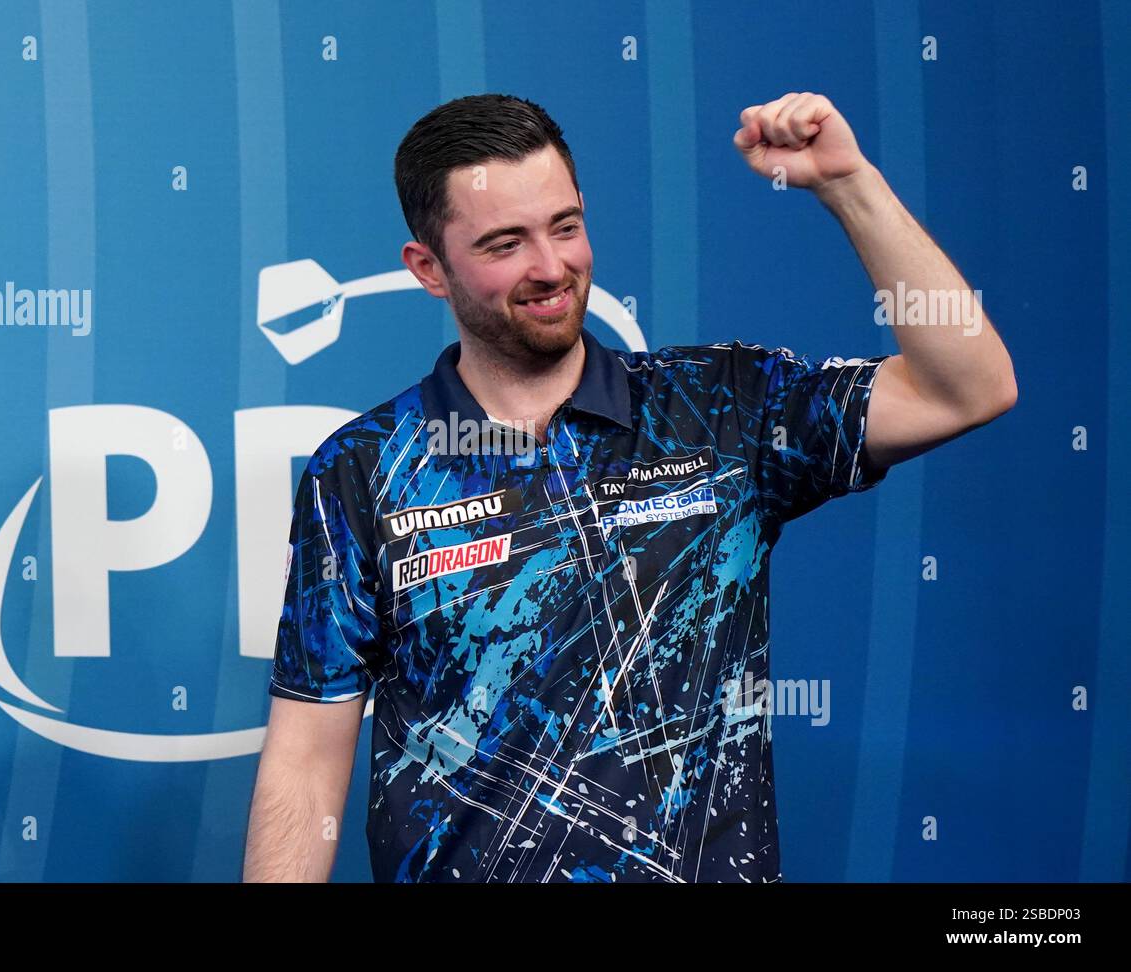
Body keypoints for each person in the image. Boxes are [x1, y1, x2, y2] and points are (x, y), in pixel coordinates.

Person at [243, 92, 1017, 883]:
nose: (551, 268)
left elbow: (967, 389)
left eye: (566, 227)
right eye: (505, 243)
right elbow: (306, 762)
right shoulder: (365, 469)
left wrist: (847, 183)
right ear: (428, 270)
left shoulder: (724, 405)